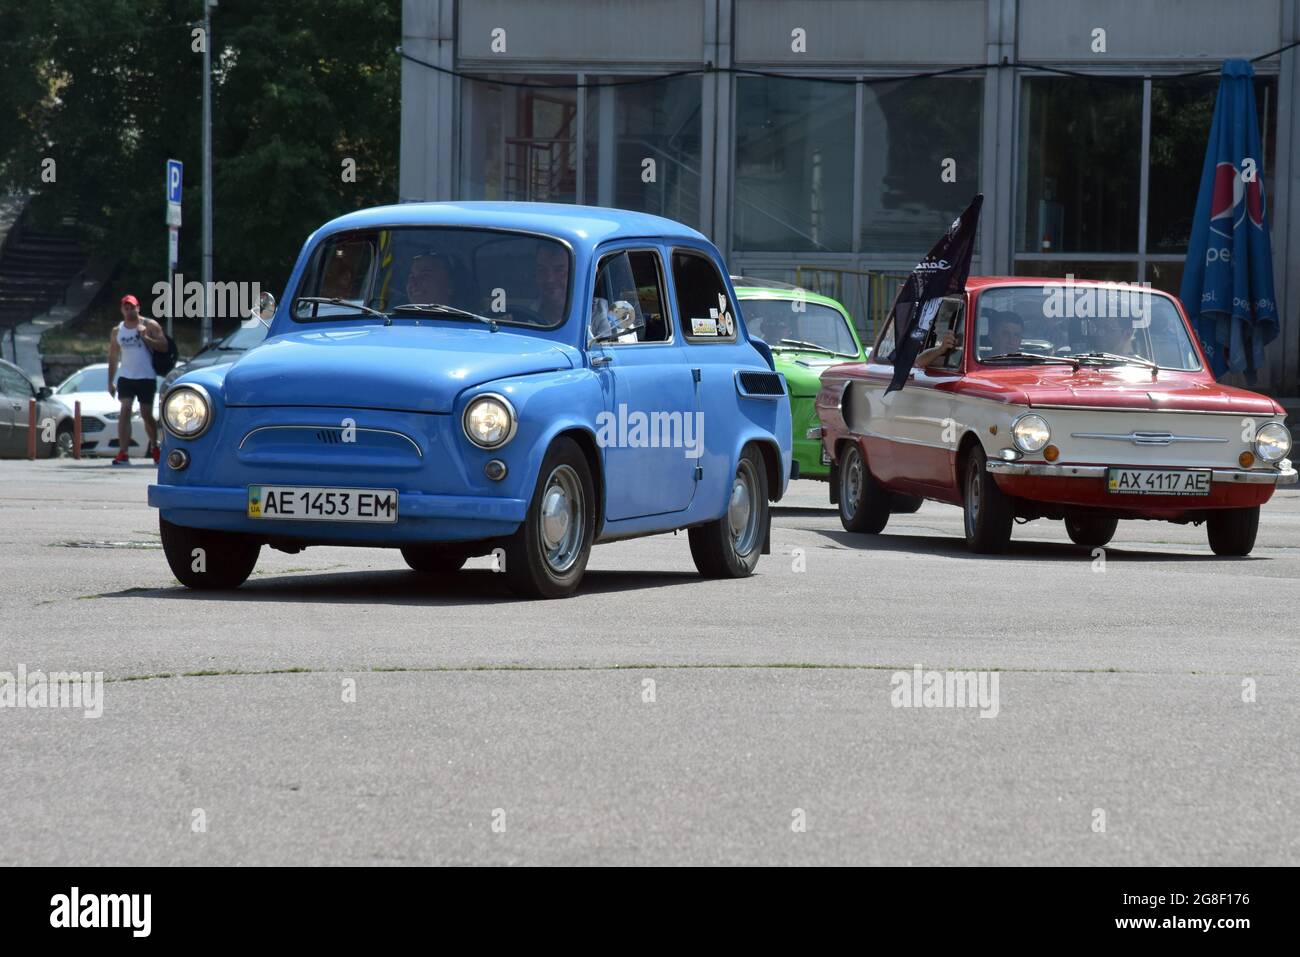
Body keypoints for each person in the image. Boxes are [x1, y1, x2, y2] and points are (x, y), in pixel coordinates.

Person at [106, 294, 166, 465]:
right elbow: (113, 356)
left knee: (146, 414)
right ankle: (123, 452)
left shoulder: (150, 325)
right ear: (122, 309)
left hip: (146, 376)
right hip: (126, 376)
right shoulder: (117, 331)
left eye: (132, 306)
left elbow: (164, 346)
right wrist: (110, 381)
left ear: (138, 308)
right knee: (125, 409)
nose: (129, 309)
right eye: (126, 307)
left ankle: (155, 446)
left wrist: (146, 337)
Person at [534, 243, 569, 325]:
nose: (550, 279)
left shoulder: (596, 313)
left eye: (559, 270)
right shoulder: (521, 318)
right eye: (542, 270)